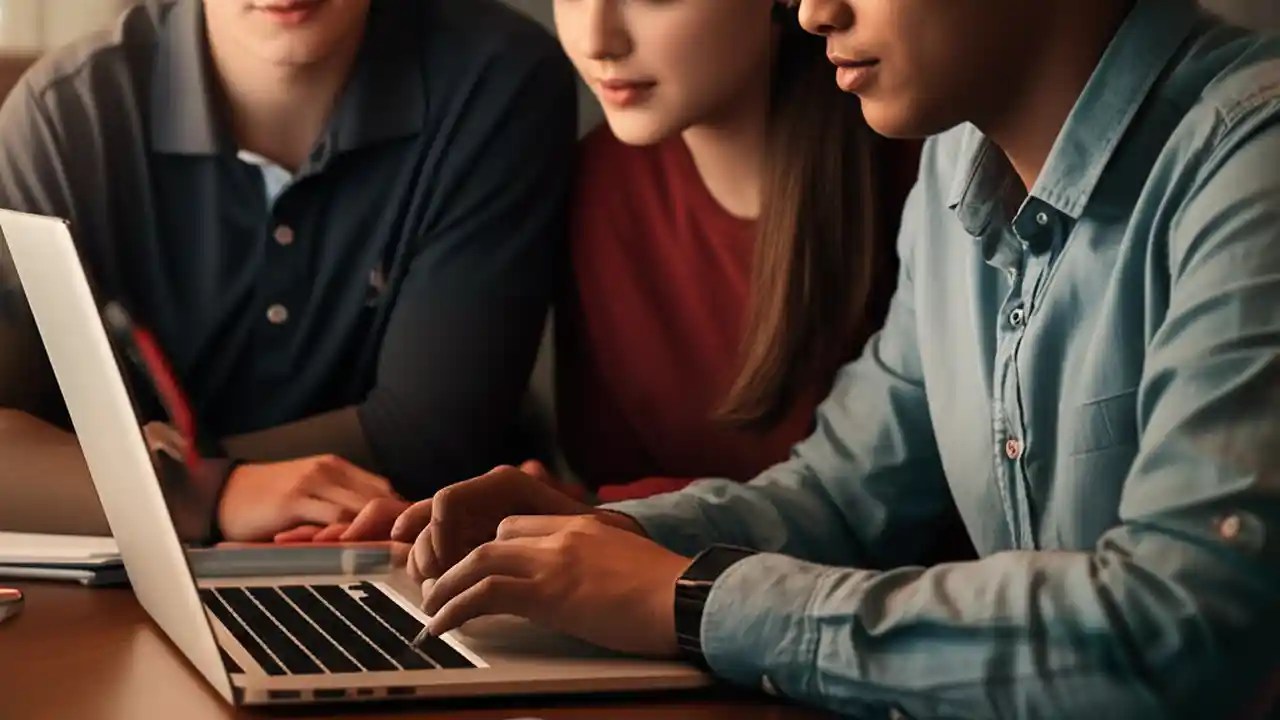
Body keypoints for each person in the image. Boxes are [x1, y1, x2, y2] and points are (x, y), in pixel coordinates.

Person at [391, 0, 1280, 716]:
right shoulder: (952, 170)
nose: (811, 12)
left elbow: (1184, 627)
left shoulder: (1252, 160)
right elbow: (842, 497)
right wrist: (600, 539)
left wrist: (693, 602)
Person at [0, 0, 577, 542]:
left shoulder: (494, 76)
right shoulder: (64, 118)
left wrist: (140, 481)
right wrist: (217, 492)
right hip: (130, 573)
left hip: (411, 562)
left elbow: (434, 434)